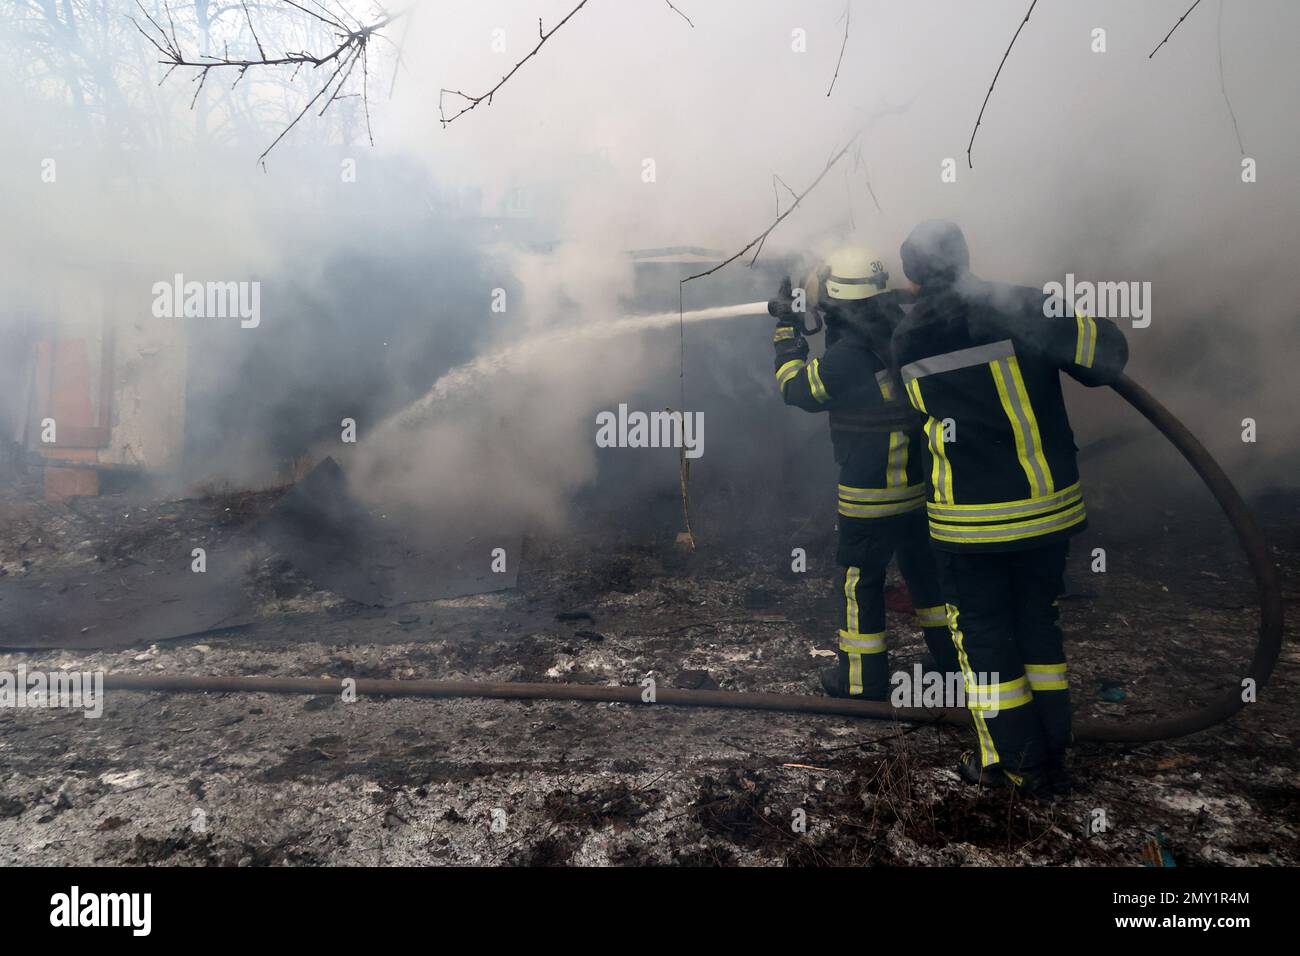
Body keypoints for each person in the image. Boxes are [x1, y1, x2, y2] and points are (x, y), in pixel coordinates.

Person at [890, 220, 1128, 793]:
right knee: (1036, 625)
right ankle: (1052, 746)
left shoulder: (906, 340)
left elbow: (908, 411)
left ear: (913, 276)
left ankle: (1017, 765)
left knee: (985, 637)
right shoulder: (1023, 306)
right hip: (1046, 512)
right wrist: (1057, 314)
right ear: (966, 258)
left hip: (969, 522)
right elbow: (1108, 357)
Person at [771, 246, 960, 701]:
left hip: (873, 487)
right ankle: (952, 663)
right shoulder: (901, 328)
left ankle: (861, 680)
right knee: (926, 572)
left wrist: (786, 330)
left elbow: (799, 390)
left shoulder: (850, 354)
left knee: (859, 579)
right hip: (920, 483)